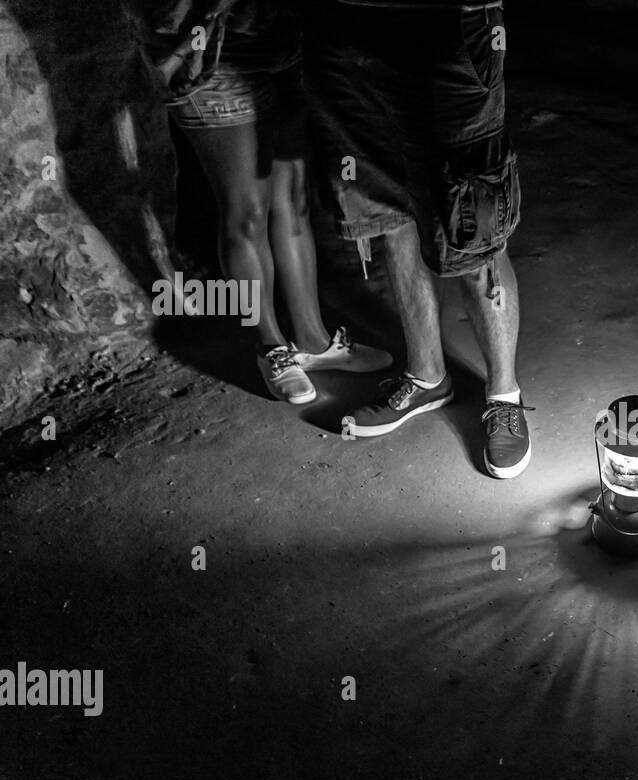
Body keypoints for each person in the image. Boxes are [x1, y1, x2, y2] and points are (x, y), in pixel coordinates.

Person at [304, 0, 531, 479]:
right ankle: (427, 376)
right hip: (341, 26)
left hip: (441, 22)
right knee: (387, 209)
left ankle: (504, 395)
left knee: (473, 218)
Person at [131, 0, 391, 405]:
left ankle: (314, 343)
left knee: (294, 201)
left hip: (282, 43)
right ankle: (270, 346)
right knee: (247, 212)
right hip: (212, 54)